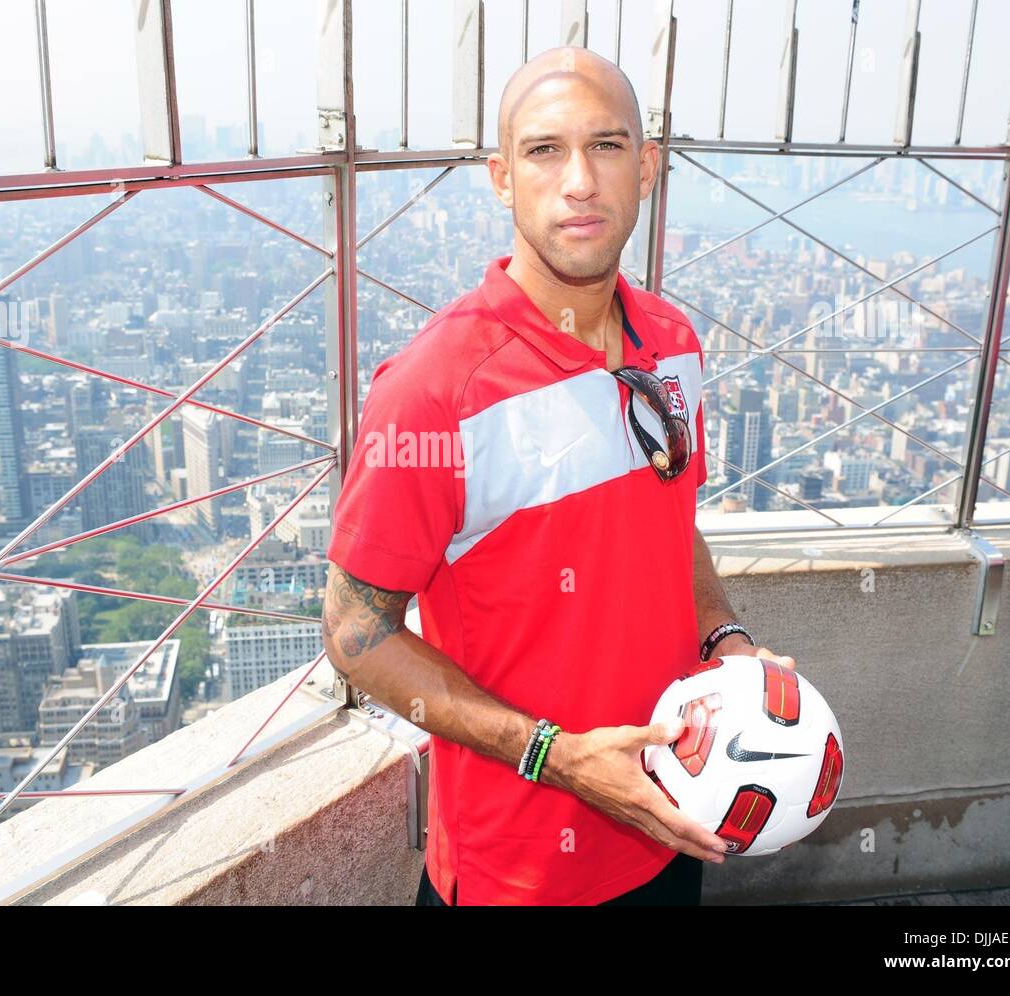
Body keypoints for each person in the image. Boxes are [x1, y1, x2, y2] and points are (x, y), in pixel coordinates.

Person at [321, 45, 798, 907]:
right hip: (517, 873)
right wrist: (558, 756)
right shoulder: (433, 393)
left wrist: (725, 646)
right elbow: (356, 633)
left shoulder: (674, 344)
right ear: (503, 179)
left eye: (608, 146)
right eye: (545, 150)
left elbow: (668, 519)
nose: (579, 180)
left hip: (670, 824)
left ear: (647, 168)